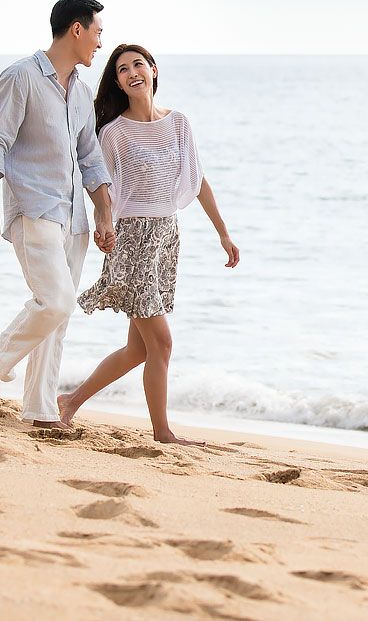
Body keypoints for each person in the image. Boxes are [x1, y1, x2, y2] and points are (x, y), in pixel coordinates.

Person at [60, 43, 239, 446]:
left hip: (165, 239)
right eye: (122, 69)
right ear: (118, 82)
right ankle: (162, 433)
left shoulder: (179, 124)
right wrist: (103, 224)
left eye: (138, 64)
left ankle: (70, 401)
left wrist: (223, 232)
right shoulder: (113, 133)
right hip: (132, 242)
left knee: (138, 350)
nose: (132, 73)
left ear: (153, 70)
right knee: (162, 342)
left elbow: (197, 181)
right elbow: (100, 187)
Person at [0, 0, 117, 430]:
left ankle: (40, 410)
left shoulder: (82, 92)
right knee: (56, 301)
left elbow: (90, 158)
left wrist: (103, 214)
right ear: (77, 29)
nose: (100, 43)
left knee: (59, 317)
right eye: (98, 33)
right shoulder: (21, 77)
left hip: (75, 218)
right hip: (34, 208)